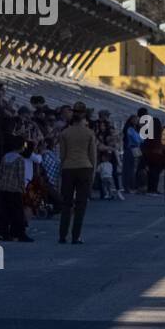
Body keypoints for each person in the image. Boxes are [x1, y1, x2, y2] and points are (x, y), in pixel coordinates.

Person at [58, 103, 96, 244]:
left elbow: (62, 155)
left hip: (68, 168)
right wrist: (92, 173)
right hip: (84, 167)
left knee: (66, 203)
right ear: (84, 118)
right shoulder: (89, 133)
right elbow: (93, 156)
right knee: (81, 204)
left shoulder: (64, 133)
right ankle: (76, 236)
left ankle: (62, 235)